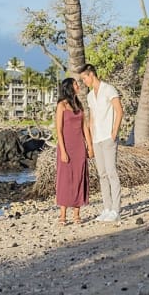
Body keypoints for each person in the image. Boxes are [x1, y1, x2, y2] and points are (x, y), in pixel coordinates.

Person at [79, 62, 123, 223]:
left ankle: (116, 210)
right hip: (97, 138)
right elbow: (91, 119)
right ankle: (107, 208)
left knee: (111, 172)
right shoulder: (90, 96)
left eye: (84, 78)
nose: (84, 82)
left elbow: (119, 111)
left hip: (108, 137)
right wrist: (90, 141)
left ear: (91, 75)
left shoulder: (109, 89)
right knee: (102, 174)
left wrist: (114, 132)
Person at [55, 77, 93, 225]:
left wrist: (90, 146)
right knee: (64, 179)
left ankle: (77, 213)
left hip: (79, 146)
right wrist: (63, 151)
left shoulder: (79, 104)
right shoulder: (61, 105)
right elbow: (58, 130)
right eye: (76, 84)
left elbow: (84, 127)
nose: (78, 85)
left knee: (79, 177)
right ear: (70, 87)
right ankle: (63, 214)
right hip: (66, 146)